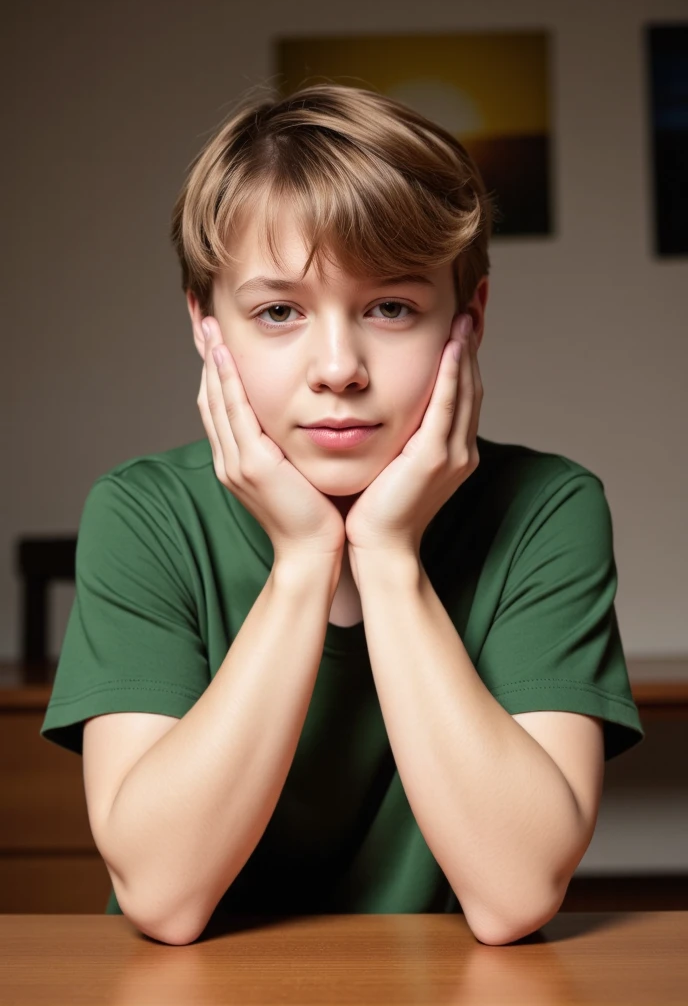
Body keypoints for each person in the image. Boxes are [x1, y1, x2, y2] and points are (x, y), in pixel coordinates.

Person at [40, 82, 644, 947]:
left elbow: (515, 894)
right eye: (278, 311)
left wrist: (389, 556)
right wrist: (302, 563)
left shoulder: (548, 509)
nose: (338, 367)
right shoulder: (145, 513)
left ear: (465, 322)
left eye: (390, 308)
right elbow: (163, 900)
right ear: (207, 327)